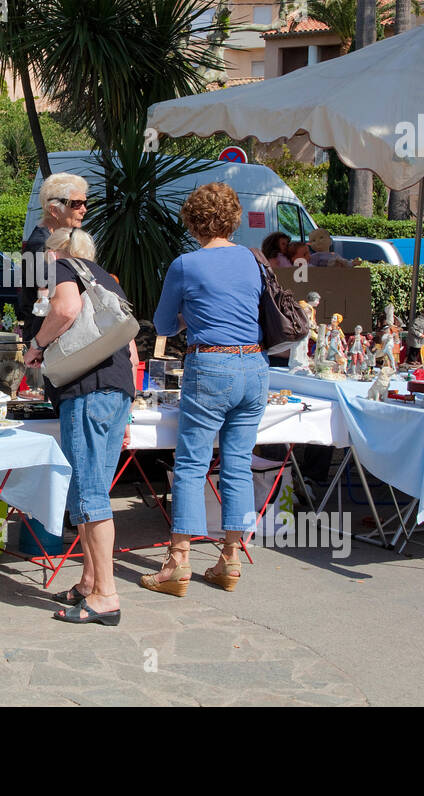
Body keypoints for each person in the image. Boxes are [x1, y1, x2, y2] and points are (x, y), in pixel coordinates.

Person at [144, 182, 267, 596]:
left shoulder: (185, 264)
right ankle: (230, 558)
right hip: (254, 365)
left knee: (193, 464)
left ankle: (178, 561)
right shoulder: (252, 260)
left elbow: (162, 325)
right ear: (232, 219)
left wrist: (185, 319)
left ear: (193, 221)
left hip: (210, 364)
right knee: (237, 464)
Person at [22, 227, 136, 626]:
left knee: (88, 496)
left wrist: (36, 345)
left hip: (88, 390)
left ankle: (106, 595)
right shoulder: (104, 278)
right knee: (96, 492)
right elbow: (130, 341)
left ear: (53, 253)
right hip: (116, 390)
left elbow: (66, 310)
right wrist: (129, 407)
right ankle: (90, 582)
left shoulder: (61, 268)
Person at [18, 173, 89, 337]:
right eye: (76, 204)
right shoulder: (41, 244)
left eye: (85, 203)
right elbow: (50, 296)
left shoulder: (57, 240)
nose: (84, 209)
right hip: (44, 339)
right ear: (54, 210)